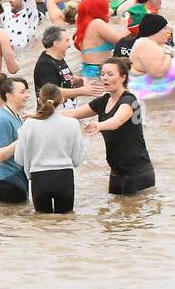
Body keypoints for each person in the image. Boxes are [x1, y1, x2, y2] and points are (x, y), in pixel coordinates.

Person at [64, 58, 155, 196]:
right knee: (112, 215)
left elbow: (117, 121)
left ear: (123, 77)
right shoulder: (103, 101)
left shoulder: (129, 100)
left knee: (134, 216)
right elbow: (72, 113)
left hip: (137, 172)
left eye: (110, 74)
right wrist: (41, 115)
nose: (105, 78)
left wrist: (98, 125)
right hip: (116, 172)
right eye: (103, 74)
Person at [14, 83, 87, 213]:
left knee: (42, 225)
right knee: (65, 222)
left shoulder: (29, 125)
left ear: (39, 100)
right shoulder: (72, 124)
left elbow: (19, 159)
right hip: (64, 177)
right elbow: (77, 160)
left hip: (39, 178)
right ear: (62, 100)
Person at [0, 75, 29, 204]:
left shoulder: (16, 116)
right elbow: (0, 155)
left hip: (16, 177)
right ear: (9, 96)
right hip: (6, 179)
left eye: (27, 91)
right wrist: (22, 138)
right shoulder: (2, 119)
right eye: (22, 92)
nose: (27, 95)